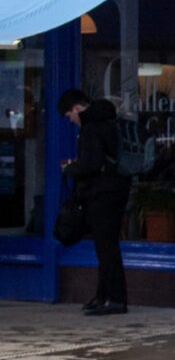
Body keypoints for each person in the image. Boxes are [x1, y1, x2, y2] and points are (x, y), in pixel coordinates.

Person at [58, 88, 127, 316]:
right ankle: (104, 296)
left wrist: (70, 169)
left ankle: (114, 299)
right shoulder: (108, 121)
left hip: (102, 194)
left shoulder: (91, 128)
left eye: (70, 116)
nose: (72, 121)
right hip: (116, 189)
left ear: (77, 108)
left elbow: (91, 165)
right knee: (107, 247)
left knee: (106, 249)